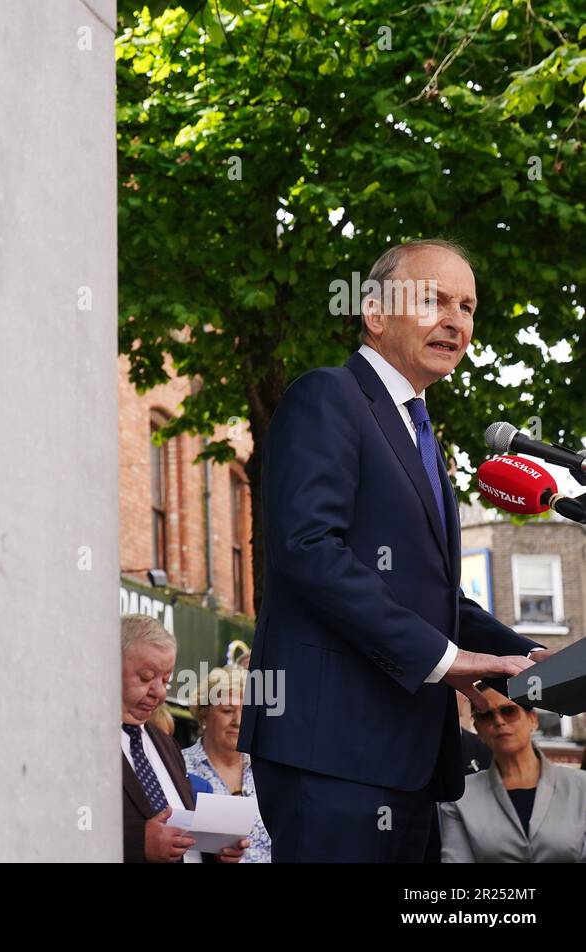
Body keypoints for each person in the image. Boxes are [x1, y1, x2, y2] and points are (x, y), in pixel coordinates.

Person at [238, 239, 550, 862]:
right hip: (333, 752)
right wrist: (444, 658)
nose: (455, 319)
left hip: (409, 760)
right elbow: (309, 551)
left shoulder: (423, 438)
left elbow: (429, 592)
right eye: (433, 299)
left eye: (467, 305)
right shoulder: (327, 397)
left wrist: (528, 657)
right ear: (375, 314)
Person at [121, 614, 247, 863]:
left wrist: (217, 854)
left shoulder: (166, 745)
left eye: (165, 680)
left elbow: (188, 845)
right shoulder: (82, 743)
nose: (158, 692)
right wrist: (137, 843)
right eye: (145, 677)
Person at [440, 686, 586, 862]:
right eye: (486, 715)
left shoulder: (580, 787)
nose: (499, 721)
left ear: (533, 719)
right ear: (477, 729)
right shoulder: (460, 797)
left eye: (509, 711)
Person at [182, 666, 272, 862]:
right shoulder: (179, 768)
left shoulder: (267, 772)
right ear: (203, 714)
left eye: (246, 712)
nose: (238, 721)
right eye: (227, 710)